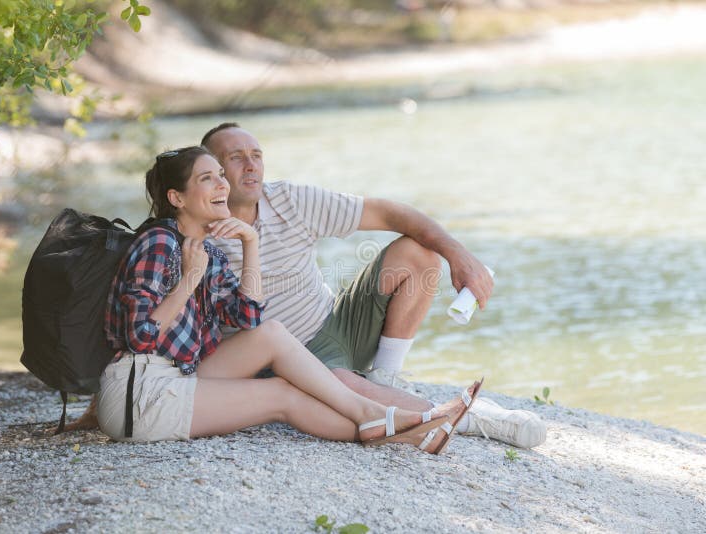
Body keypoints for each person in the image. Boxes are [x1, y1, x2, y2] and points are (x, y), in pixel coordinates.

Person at [95, 144, 481, 453]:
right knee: (281, 395)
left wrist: (251, 243)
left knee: (272, 333)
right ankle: (390, 423)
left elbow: (248, 318)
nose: (221, 185)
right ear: (177, 197)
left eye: (219, 177)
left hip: (180, 374)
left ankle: (396, 423)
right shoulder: (158, 243)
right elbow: (139, 337)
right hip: (141, 394)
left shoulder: (207, 250)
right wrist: (188, 281)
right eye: (207, 179)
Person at [201, 123, 546, 449]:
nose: (251, 166)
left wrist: (459, 256)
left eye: (256, 155)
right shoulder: (195, 235)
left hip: (336, 322)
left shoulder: (288, 199)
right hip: (290, 358)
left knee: (419, 253)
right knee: (343, 384)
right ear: (211, 175)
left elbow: (388, 213)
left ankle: (384, 377)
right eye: (235, 158)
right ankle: (471, 418)